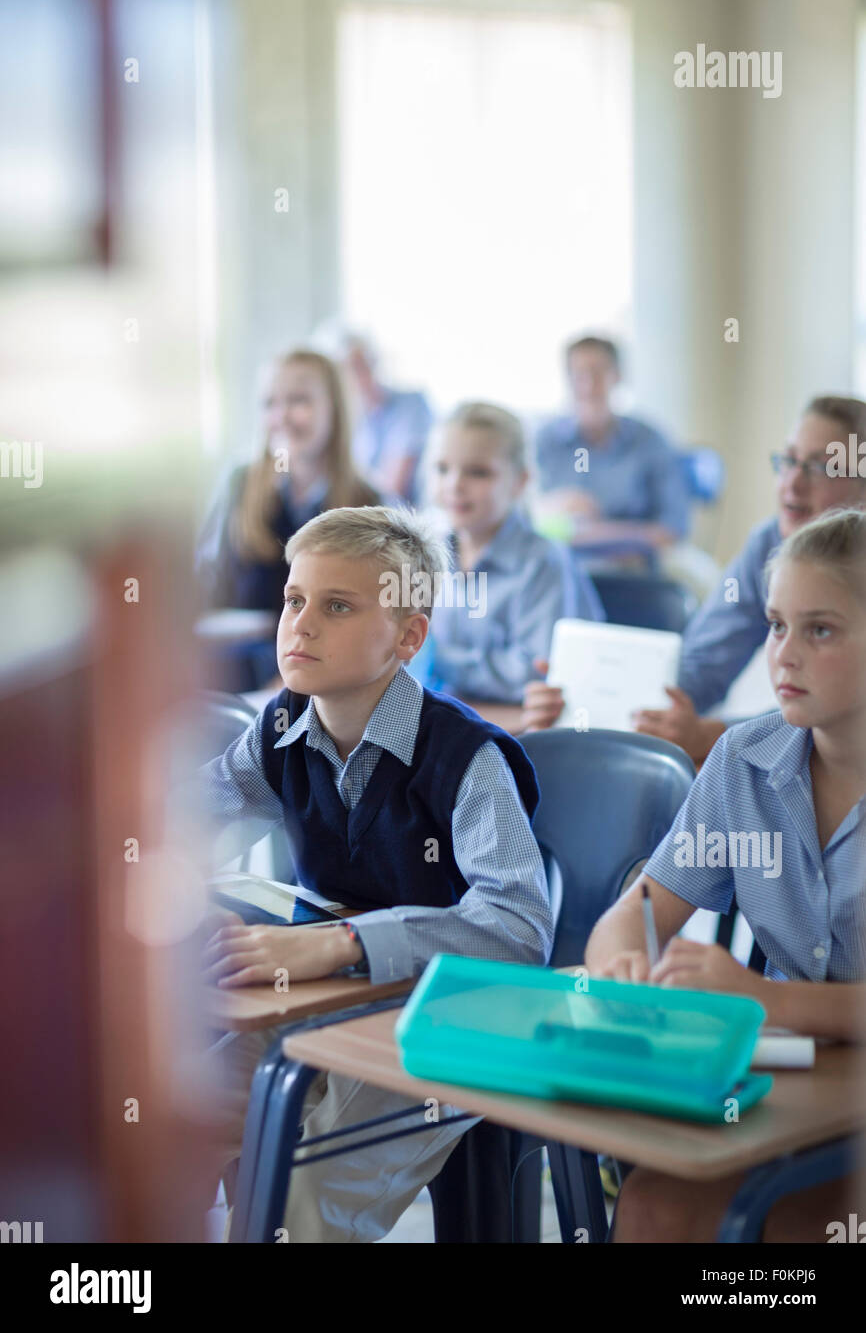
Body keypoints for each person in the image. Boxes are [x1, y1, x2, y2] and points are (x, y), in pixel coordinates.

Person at [193, 504, 553, 1242]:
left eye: (337, 606)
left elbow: (520, 930)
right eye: (295, 600)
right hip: (322, 1003)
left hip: (448, 1020)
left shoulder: (467, 758)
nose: (302, 624)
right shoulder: (281, 729)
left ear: (408, 637)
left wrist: (343, 942)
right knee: (180, 1119)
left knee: (302, 1186)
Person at [586, 508, 866, 1242]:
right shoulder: (743, 758)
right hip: (779, 1096)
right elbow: (641, 908)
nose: (785, 655)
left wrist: (758, 997)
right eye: (776, 625)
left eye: (821, 629)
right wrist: (620, 963)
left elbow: (765, 1000)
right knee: (649, 1205)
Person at [634, 395, 866, 763]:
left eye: (820, 467)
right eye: (789, 461)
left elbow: (843, 709)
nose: (792, 484)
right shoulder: (771, 542)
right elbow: (706, 657)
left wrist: (721, 734)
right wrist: (614, 698)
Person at [195, 350, 379, 689]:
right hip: (239, 670)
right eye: (270, 404)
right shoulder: (240, 484)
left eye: (299, 401)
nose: (282, 417)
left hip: (325, 679)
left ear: (335, 411)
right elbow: (207, 585)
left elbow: (373, 628)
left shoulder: (369, 502)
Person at [420, 401, 604, 734]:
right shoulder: (425, 554)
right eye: (442, 468)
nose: (454, 484)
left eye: (478, 472)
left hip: (530, 732)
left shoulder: (543, 564)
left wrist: (439, 661)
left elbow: (532, 677)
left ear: (520, 482)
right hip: (454, 720)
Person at [534, 336, 690, 561]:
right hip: (565, 566)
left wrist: (598, 534)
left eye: (598, 373)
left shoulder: (650, 441)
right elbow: (528, 521)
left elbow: (673, 528)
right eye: (579, 375)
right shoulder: (546, 441)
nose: (588, 386)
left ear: (617, 376)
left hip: (638, 567)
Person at [342, 334, 433, 504]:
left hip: (404, 516)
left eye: (363, 365)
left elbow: (393, 489)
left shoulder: (411, 404)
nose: (359, 375)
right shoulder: (354, 418)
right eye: (349, 369)